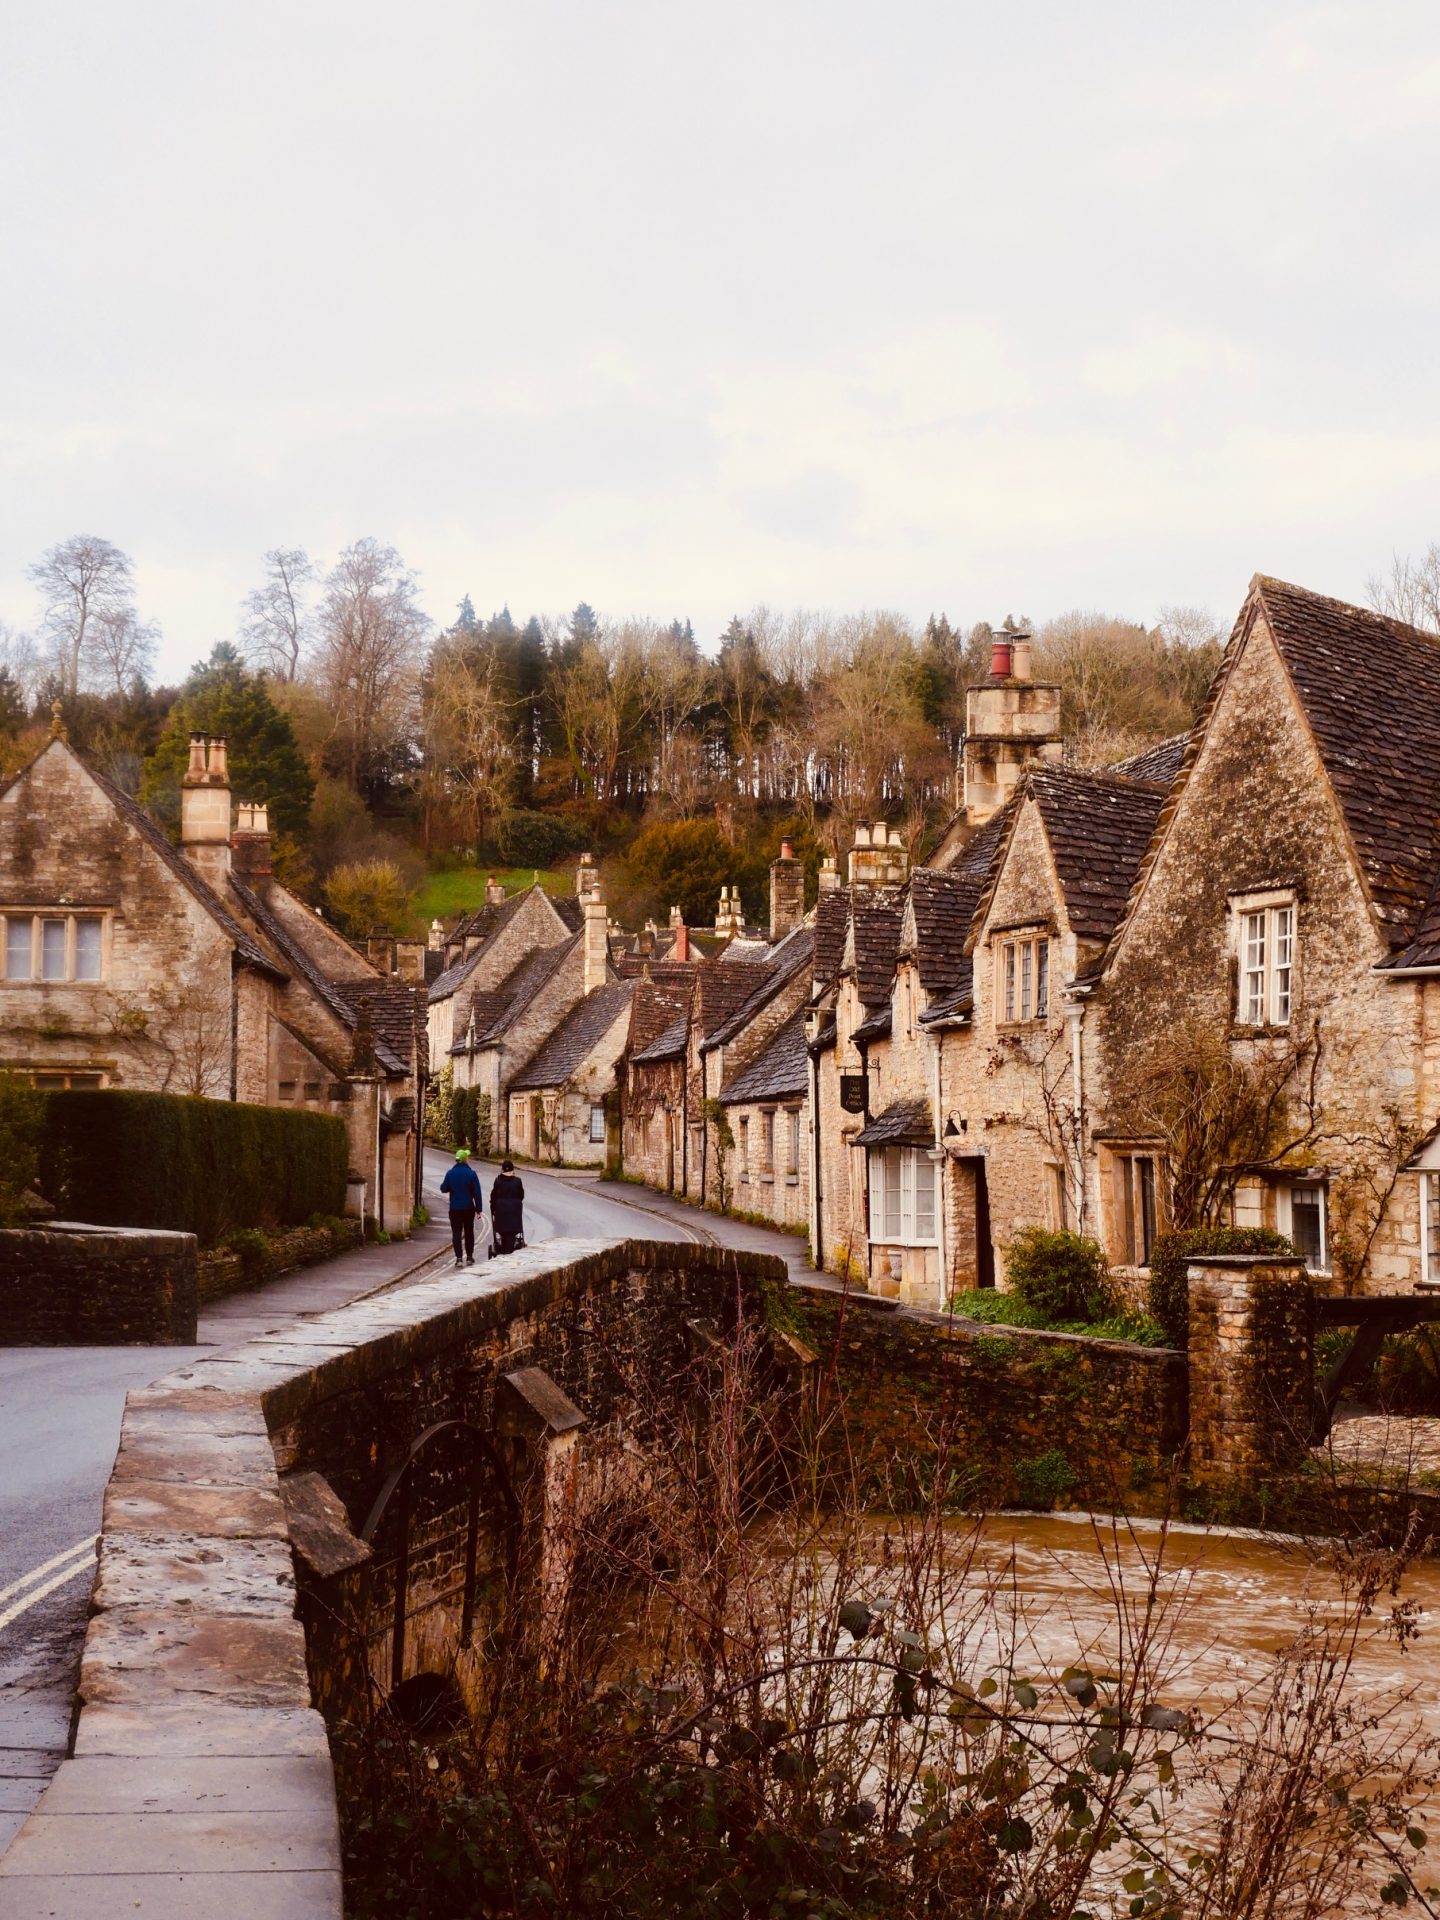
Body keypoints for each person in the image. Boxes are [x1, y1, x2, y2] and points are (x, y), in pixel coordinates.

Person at [440, 1146, 484, 1267]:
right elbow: (477, 1193)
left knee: (456, 1233)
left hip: (455, 1208)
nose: (468, 1159)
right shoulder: (471, 1174)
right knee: (469, 1232)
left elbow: (443, 1188)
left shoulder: (450, 1173)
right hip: (468, 1208)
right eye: (467, 1157)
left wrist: (451, 1187)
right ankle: (469, 1257)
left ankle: (459, 1258)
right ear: (465, 1159)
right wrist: (479, 1209)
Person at [490, 1159, 525, 1254]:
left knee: (503, 1231)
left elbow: (493, 1196)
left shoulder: (497, 1181)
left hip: (501, 1212)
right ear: (512, 1170)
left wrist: (493, 1208)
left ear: (502, 1170)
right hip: (514, 1212)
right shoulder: (518, 1181)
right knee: (512, 1232)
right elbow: (521, 1195)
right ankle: (510, 1249)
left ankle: (504, 1249)